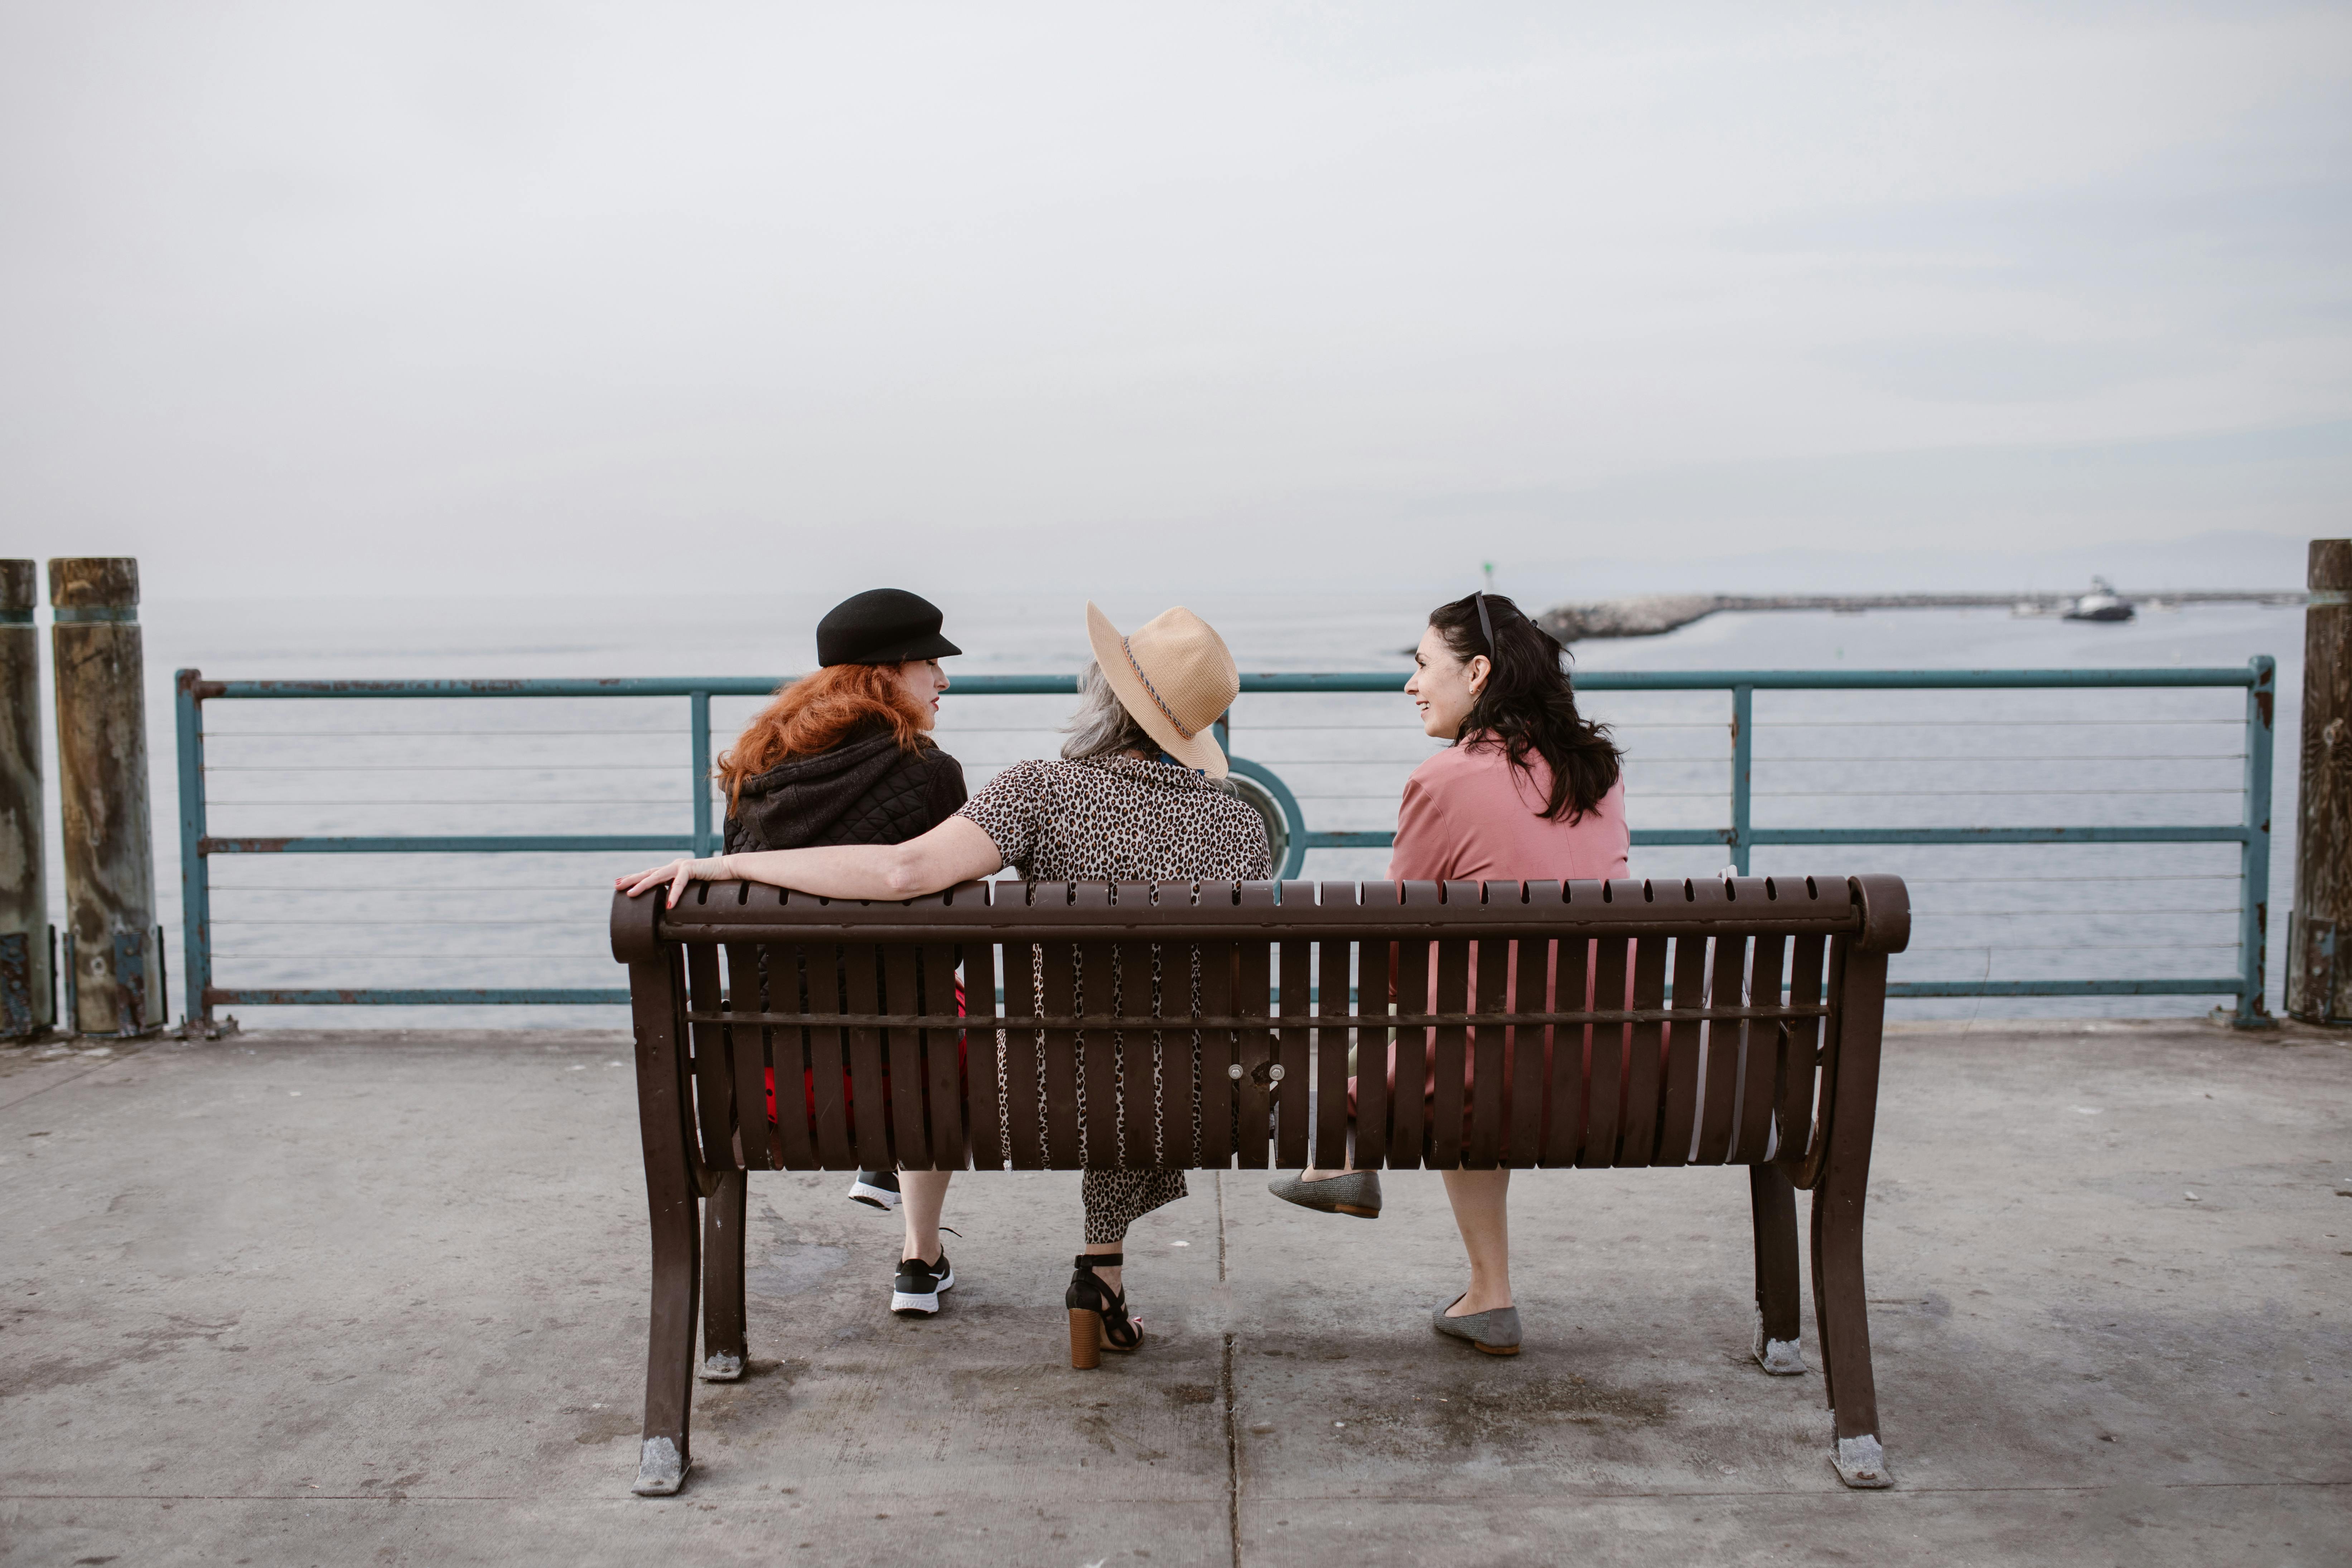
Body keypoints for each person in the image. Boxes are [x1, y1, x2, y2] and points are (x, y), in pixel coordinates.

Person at [619, 603, 1270, 1369]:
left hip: (1037, 1093)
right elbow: (1233, 986)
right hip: (1193, 1099)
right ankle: (1100, 1269)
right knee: (1136, 1049)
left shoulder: (1037, 791)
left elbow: (904, 872)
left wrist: (726, 866)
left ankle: (917, 1233)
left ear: (1102, 702)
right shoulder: (1241, 827)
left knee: (1075, 1048)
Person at [1267, 590, 1626, 1356]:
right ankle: (1485, 1298)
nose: (1411, 683)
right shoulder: (1599, 777)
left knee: (1454, 1029)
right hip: (1607, 1067)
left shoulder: (1443, 780)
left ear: (1480, 674)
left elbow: (1395, 945)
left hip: (1482, 1071)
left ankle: (1341, 1151)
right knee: (1483, 1020)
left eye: (1424, 665)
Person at [713, 587, 969, 1317]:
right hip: (911, 1077)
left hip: (776, 1084)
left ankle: (883, 1172)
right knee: (936, 1010)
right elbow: (949, 938)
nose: (943, 682)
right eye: (931, 667)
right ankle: (919, 1258)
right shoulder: (929, 772)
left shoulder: (750, 777)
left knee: (890, 1007)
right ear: (888, 674)